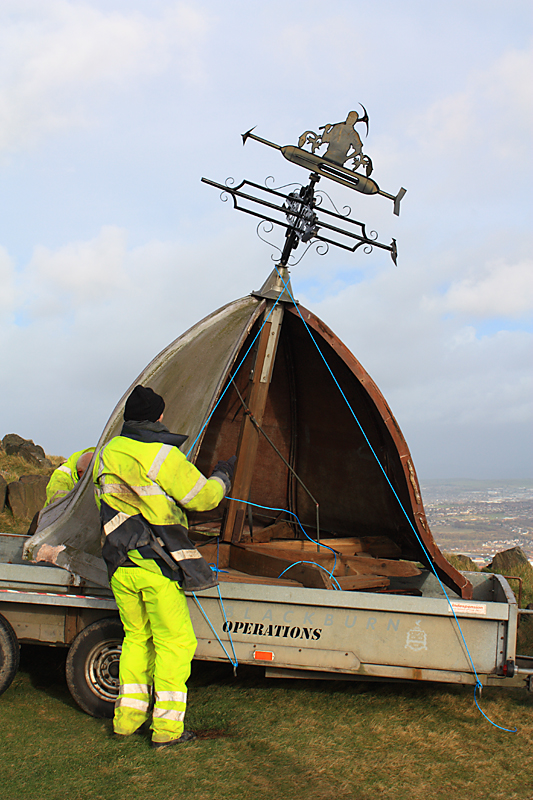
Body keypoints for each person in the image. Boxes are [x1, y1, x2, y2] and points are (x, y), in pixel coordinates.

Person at [93, 384, 235, 749]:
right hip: (155, 564)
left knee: (137, 639)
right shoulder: (162, 456)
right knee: (175, 643)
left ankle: (126, 721)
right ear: (157, 416)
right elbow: (203, 498)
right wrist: (223, 475)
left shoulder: (109, 452)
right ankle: (168, 731)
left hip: (120, 565)